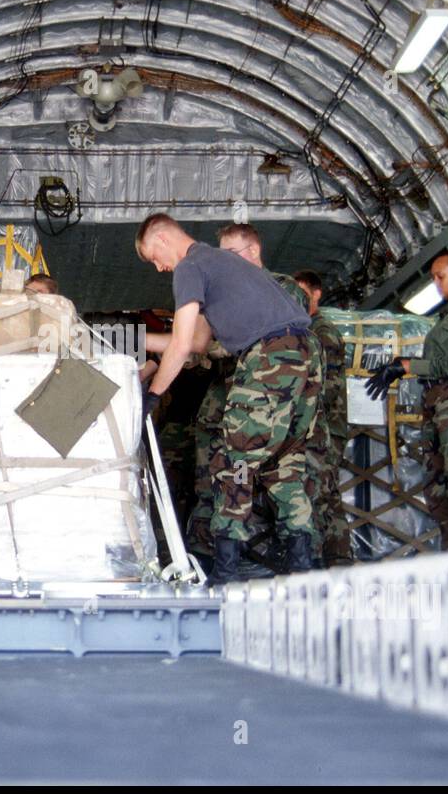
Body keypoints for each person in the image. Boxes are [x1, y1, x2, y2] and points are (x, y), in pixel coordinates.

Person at [137, 213, 320, 583]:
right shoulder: (219, 264)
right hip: (304, 354)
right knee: (283, 464)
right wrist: (125, 342)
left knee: (234, 464)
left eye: (152, 257)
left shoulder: (189, 265)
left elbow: (183, 342)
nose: (158, 267)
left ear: (161, 239)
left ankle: (225, 575)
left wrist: (151, 397)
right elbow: (198, 346)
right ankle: (306, 573)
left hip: (268, 357)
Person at [365, 248, 448, 550]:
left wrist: (408, 365)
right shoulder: (446, 316)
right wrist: (404, 364)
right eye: (434, 278)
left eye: (441, 275)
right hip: (440, 410)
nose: (437, 282)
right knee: (438, 492)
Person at [295, 269, 353, 567]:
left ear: (316, 294)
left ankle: (323, 562)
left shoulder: (321, 332)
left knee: (318, 494)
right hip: (320, 429)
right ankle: (336, 560)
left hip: (325, 430)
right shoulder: (306, 330)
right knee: (325, 495)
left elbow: (324, 390)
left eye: (302, 293)